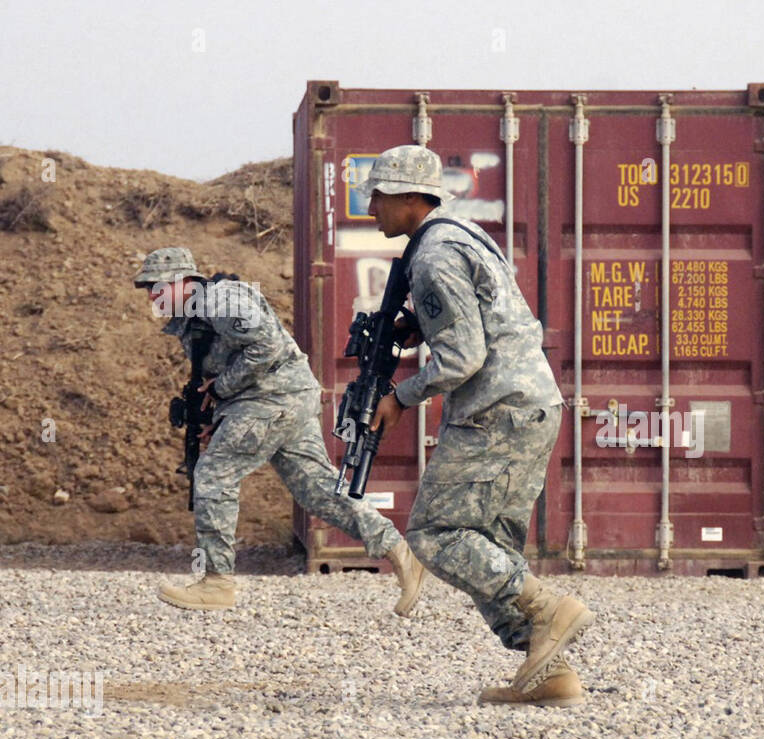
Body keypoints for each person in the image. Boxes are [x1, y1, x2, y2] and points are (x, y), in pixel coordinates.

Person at [361, 145, 595, 707]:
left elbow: (463, 357)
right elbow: (489, 314)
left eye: (379, 195)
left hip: (498, 413)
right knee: (486, 547)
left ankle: (548, 610)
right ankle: (549, 673)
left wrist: (401, 397)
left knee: (434, 535)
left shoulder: (434, 255)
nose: (370, 207)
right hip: (528, 406)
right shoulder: (463, 236)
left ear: (411, 198)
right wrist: (418, 322)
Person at [136, 247, 422, 611]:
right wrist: (219, 415)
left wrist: (223, 390)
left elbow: (267, 347)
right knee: (318, 491)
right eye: (146, 288)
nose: (151, 295)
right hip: (282, 398)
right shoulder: (194, 317)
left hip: (272, 399)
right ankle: (399, 551)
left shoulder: (218, 301)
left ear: (183, 281)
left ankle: (216, 583)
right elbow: (230, 363)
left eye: (156, 285)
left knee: (214, 474)